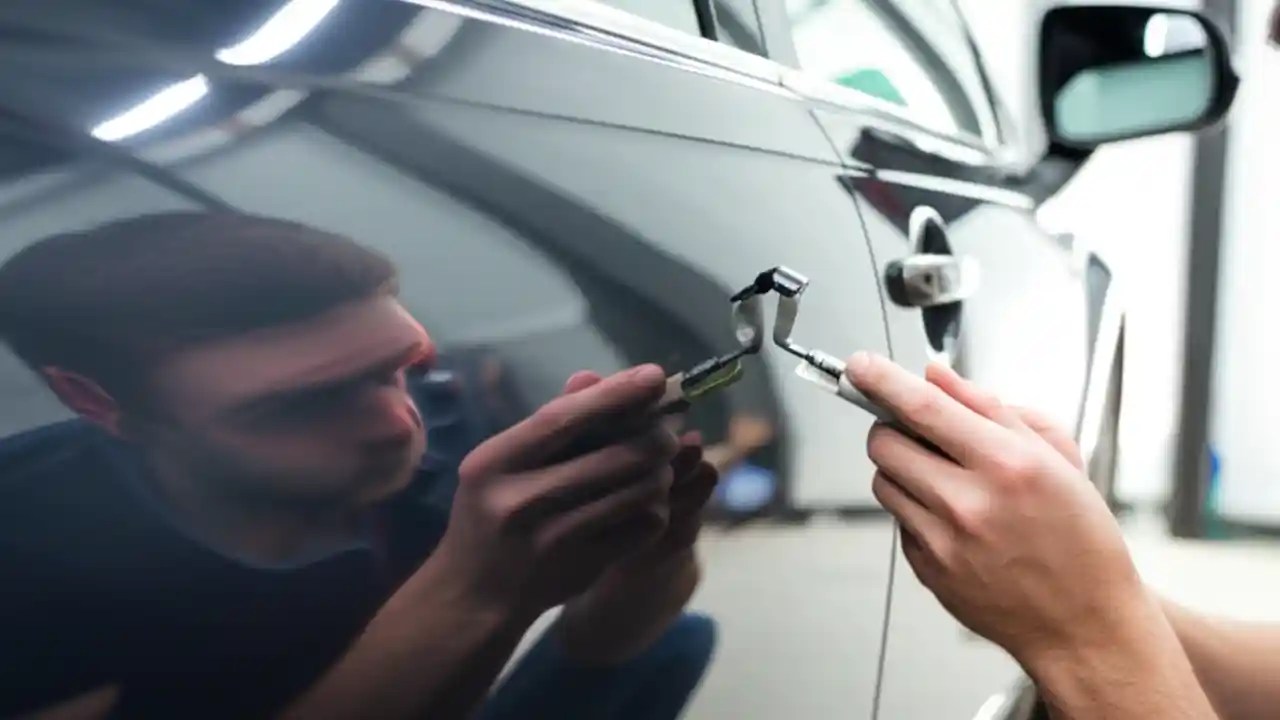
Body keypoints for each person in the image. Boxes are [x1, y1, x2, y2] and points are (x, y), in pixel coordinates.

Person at [0, 211, 720, 720]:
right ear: (94, 400)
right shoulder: (28, 555)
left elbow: (603, 647)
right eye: (300, 404)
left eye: (398, 369)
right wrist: (478, 591)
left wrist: (650, 551)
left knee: (679, 640)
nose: (395, 425)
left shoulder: (451, 424)